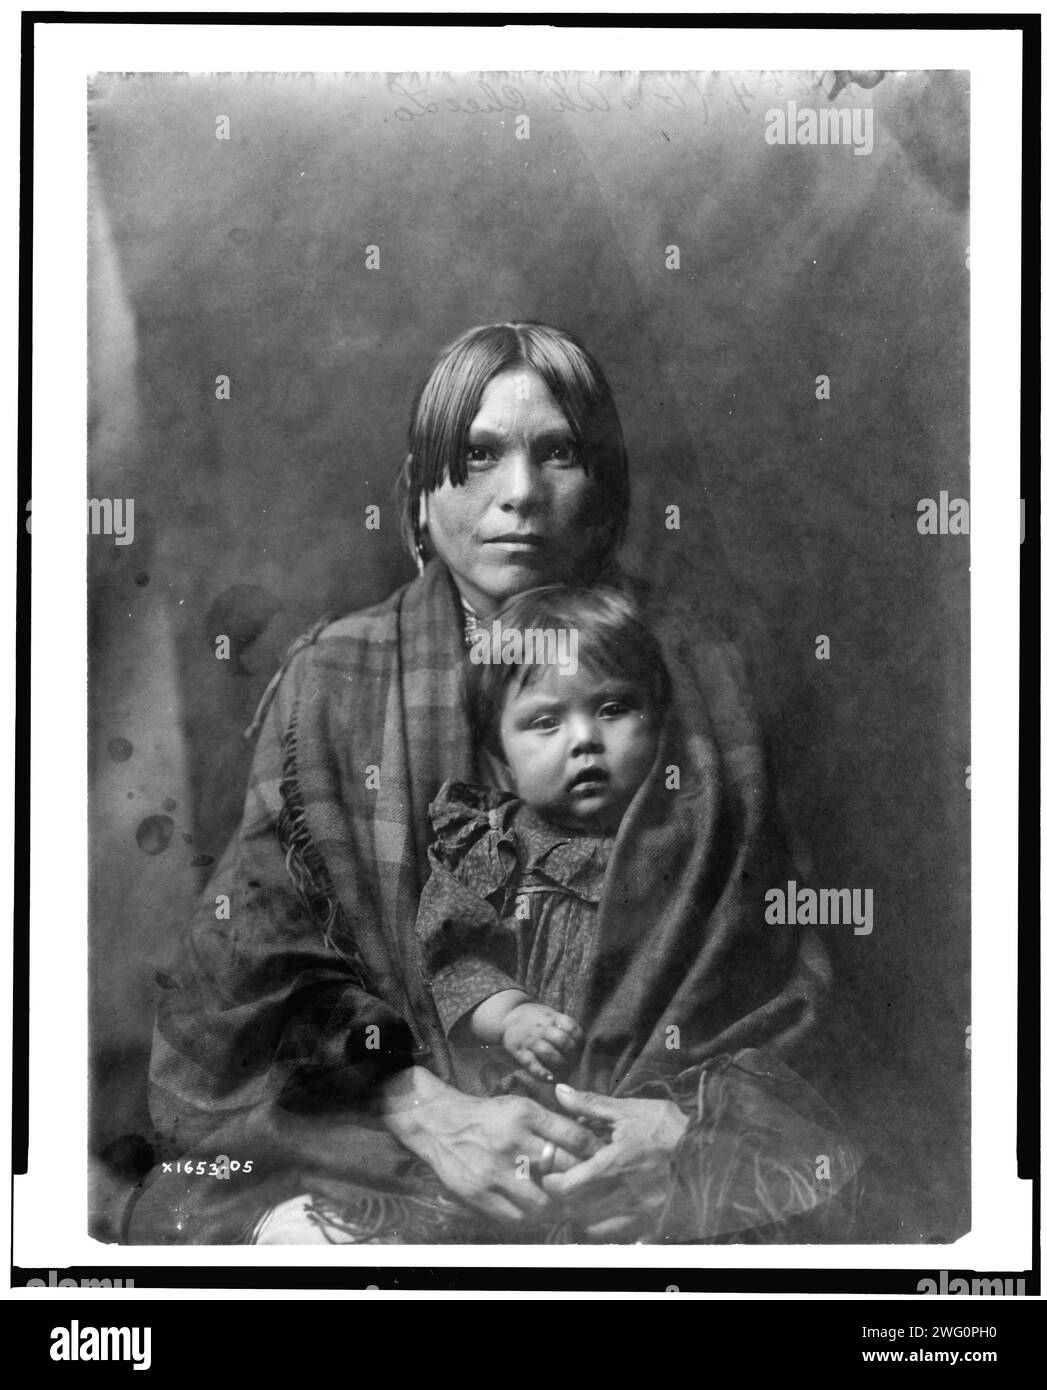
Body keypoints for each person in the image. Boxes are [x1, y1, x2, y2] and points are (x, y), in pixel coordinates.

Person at [125, 320, 862, 1245]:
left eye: (557, 453)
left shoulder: (697, 667)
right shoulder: (334, 678)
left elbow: (795, 970)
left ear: (607, 486)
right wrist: (422, 1109)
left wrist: (680, 1135)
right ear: (419, 489)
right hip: (391, 1154)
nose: (518, 494)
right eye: (476, 456)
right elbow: (254, 977)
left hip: (640, 1161)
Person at [417, 585, 670, 1088]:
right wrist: (513, 1018)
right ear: (501, 753)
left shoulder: (683, 834)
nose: (584, 739)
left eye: (614, 707)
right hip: (528, 1089)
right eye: (546, 721)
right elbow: (457, 962)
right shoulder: (492, 844)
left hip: (657, 1081)